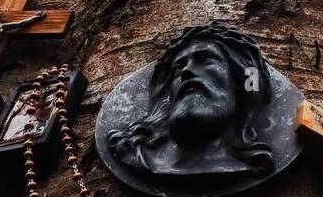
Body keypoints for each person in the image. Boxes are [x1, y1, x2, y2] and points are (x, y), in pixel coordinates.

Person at [106, 24, 274, 179]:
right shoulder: (137, 155)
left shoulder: (248, 163)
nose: (186, 71)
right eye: (178, 68)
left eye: (205, 59)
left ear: (239, 81)